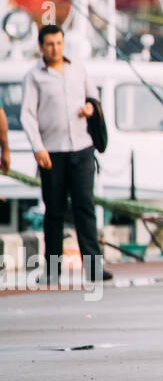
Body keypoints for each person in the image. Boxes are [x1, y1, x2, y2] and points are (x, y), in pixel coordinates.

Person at [21, 25, 107, 283]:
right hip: (53, 151)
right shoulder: (34, 76)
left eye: (59, 43)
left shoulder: (77, 69)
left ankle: (94, 267)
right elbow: (28, 114)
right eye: (50, 44)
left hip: (81, 147)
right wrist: (38, 147)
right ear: (41, 47)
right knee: (54, 211)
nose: (55, 48)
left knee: (85, 207)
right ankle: (52, 269)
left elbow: (93, 97)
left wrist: (90, 108)